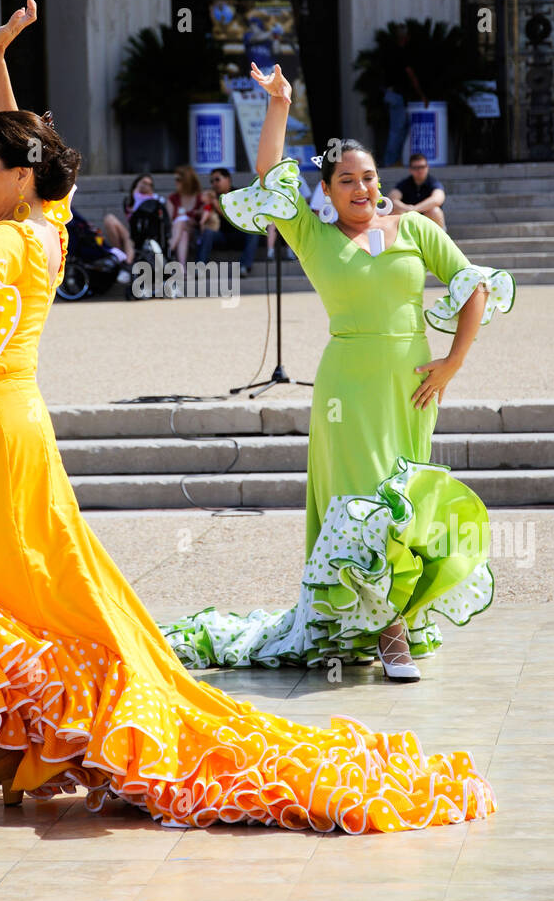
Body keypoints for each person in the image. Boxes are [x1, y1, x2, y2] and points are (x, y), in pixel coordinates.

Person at [0, 4, 497, 835]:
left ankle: (13, 747)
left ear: (19, 178)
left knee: (3, 592)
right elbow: (14, 142)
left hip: (0, 444)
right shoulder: (40, 219)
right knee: (7, 593)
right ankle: (20, 745)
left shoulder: (12, 245)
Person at [162, 61, 515, 683]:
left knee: (403, 502)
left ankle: (390, 613)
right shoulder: (313, 233)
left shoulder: (411, 228)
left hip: (411, 385)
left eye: (369, 177)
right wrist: (280, 103)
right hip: (346, 389)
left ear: (381, 180)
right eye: (345, 180)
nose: (359, 188)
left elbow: (474, 285)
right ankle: (389, 635)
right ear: (325, 190)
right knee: (361, 499)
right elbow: (271, 174)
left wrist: (453, 363)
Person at [195, 167, 257, 274]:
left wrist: (216, 204)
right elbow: (199, 215)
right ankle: (200, 267)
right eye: (212, 181)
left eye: (217, 179)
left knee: (254, 232)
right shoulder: (211, 195)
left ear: (228, 179)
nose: (214, 183)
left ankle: (245, 267)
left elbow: (234, 217)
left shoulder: (238, 195)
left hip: (238, 234)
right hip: (221, 236)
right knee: (208, 233)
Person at [383, 22, 426, 166]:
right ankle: (390, 162)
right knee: (396, 131)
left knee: (400, 129)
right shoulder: (401, 53)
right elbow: (410, 74)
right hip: (396, 96)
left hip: (392, 94)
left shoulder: (390, 51)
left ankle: (395, 160)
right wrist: (421, 94)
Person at [166, 165, 208, 270]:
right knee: (183, 231)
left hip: (195, 234)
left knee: (182, 222)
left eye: (178, 179)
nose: (176, 182)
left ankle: (169, 250)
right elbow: (168, 221)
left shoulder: (200, 198)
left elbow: (205, 219)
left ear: (187, 180)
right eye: (175, 179)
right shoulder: (173, 198)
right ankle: (182, 268)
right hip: (178, 233)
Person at [389, 152, 447, 229]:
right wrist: (407, 209)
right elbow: (392, 198)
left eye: (422, 167)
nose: (419, 170)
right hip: (410, 220)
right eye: (415, 168)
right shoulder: (405, 183)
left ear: (427, 167)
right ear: (410, 169)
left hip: (428, 222)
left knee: (435, 211)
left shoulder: (433, 182)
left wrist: (415, 209)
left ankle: (439, 239)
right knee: (395, 212)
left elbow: (437, 199)